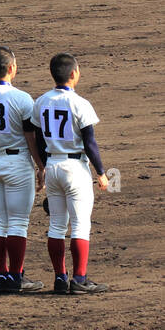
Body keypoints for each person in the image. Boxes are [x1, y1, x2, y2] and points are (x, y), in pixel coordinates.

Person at [33, 53, 111, 294]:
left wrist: (43, 167)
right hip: (75, 168)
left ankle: (59, 278)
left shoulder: (41, 102)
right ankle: (79, 279)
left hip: (53, 166)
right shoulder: (80, 103)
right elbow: (90, 143)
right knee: (79, 226)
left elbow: (38, 139)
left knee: (56, 225)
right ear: (74, 74)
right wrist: (100, 172)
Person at [0, 46, 45, 293]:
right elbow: (30, 137)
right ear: (12, 68)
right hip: (17, 164)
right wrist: (41, 166)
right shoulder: (22, 98)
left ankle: (2, 276)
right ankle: (16, 276)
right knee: (17, 223)